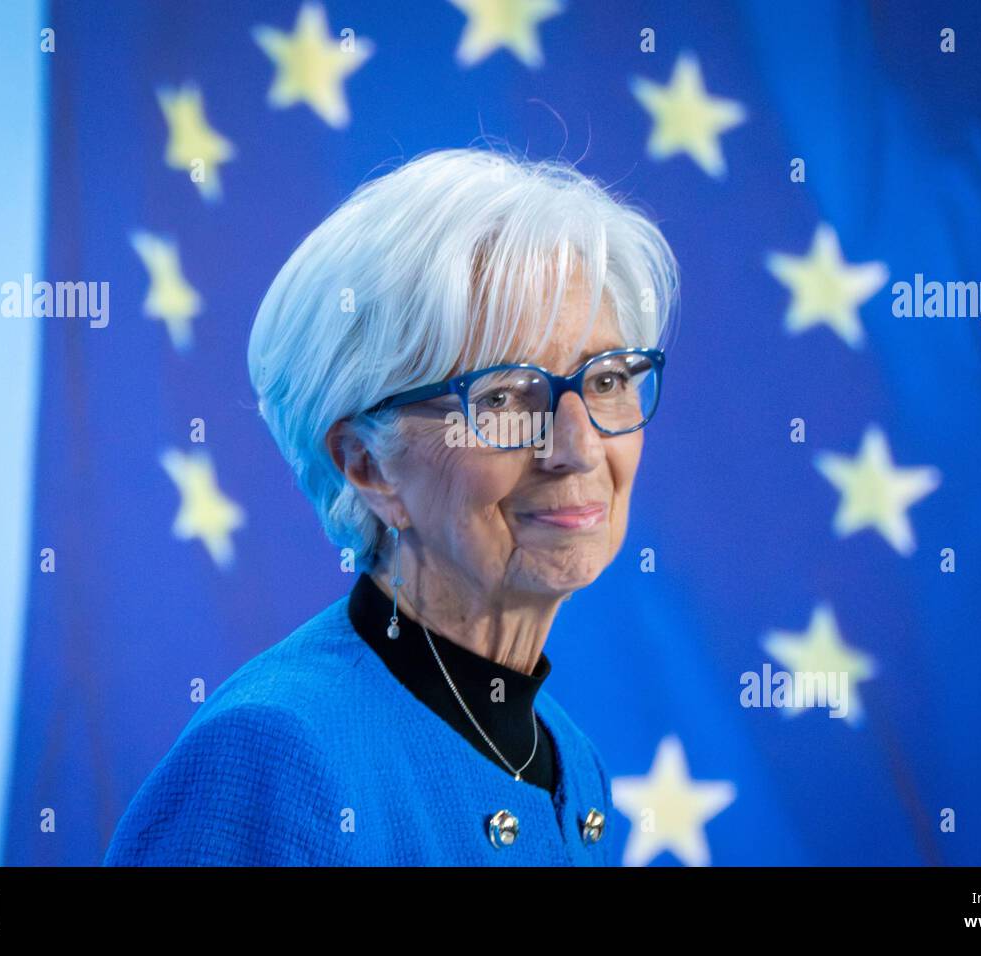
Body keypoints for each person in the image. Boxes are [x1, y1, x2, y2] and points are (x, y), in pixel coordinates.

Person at [104, 146, 678, 865]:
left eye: (605, 381)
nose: (578, 447)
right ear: (367, 466)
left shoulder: (568, 755)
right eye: (501, 397)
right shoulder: (277, 755)